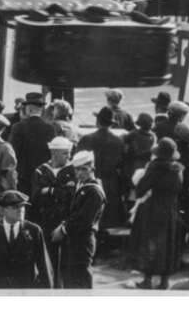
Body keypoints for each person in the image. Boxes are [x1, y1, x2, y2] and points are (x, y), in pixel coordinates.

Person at [128, 137, 184, 289]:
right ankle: (164, 281)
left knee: (149, 243)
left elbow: (141, 189)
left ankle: (147, 279)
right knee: (168, 244)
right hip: (171, 209)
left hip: (153, 208)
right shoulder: (177, 169)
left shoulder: (154, 167)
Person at [54, 150, 106, 288]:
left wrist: (63, 229)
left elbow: (84, 219)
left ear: (92, 169)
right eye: (77, 170)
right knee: (70, 280)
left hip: (83, 241)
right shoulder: (82, 186)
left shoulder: (94, 190)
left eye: (84, 169)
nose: (79, 173)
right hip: (73, 240)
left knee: (80, 280)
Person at [31, 136, 75, 285]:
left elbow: (70, 194)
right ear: (54, 153)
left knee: (66, 260)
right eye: (65, 153)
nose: (69, 156)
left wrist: (48, 190)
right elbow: (35, 195)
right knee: (48, 257)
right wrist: (58, 190)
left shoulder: (72, 170)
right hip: (46, 220)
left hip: (64, 220)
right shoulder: (41, 170)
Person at [0, 190, 52, 289]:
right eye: (15, 207)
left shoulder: (34, 231)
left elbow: (44, 267)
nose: (21, 210)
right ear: (3, 210)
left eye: (23, 206)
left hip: (26, 290)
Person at [77, 106, 127, 234]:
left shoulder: (86, 139)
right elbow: (121, 163)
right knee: (109, 215)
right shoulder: (118, 141)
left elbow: (77, 161)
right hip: (111, 181)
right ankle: (107, 244)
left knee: (90, 211)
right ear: (111, 124)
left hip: (91, 178)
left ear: (97, 121)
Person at [7, 92, 56, 194]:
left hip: (23, 176)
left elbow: (11, 153)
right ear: (41, 110)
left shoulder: (18, 127)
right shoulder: (50, 129)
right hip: (43, 176)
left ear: (28, 109)